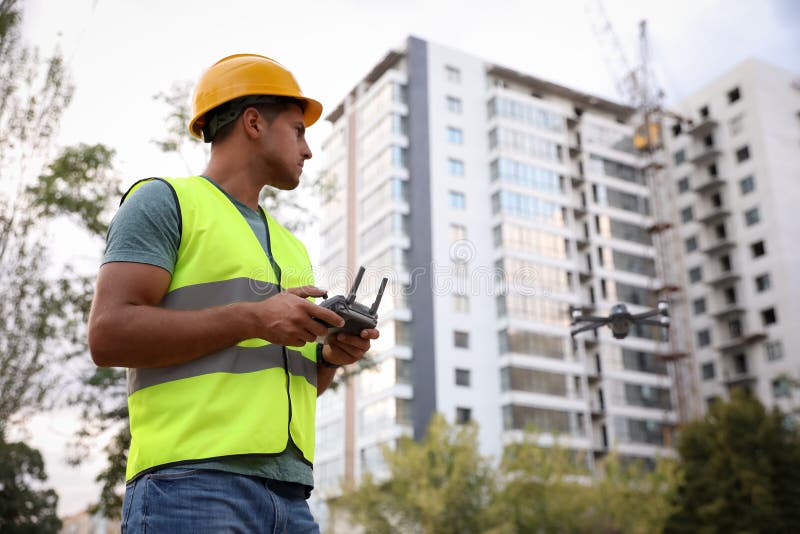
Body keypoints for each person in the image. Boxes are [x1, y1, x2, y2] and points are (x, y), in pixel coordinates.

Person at [87, 53, 378, 533]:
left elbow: (288, 384)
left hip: (291, 497)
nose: (308, 151)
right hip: (188, 486)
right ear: (253, 122)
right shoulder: (164, 202)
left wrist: (327, 358)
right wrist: (254, 319)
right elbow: (107, 335)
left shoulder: (291, 247)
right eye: (298, 130)